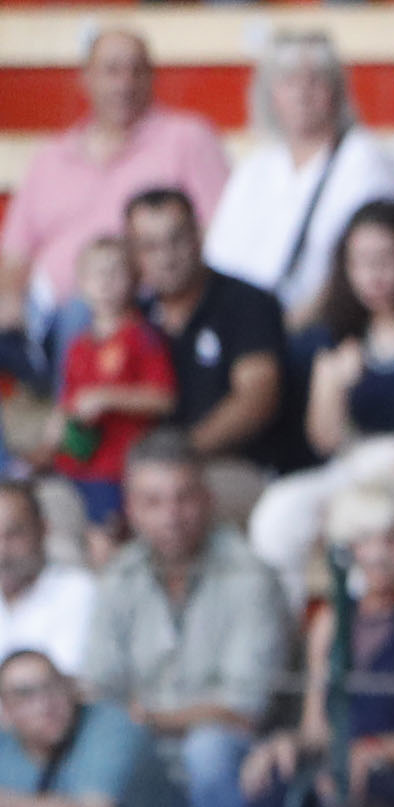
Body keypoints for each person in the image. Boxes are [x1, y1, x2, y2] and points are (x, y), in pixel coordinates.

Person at [249, 201, 394, 588]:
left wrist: (379, 470)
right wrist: (335, 384)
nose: (374, 275)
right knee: (278, 515)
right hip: (354, 463)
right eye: (361, 263)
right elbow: (325, 439)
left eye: (385, 260)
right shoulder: (336, 335)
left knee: (371, 519)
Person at [86, 438, 287, 807]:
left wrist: (150, 718)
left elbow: (244, 710)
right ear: (131, 509)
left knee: (208, 750)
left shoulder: (251, 576)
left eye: (184, 498)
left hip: (240, 758)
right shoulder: (118, 576)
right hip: (141, 750)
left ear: (208, 499)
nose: (171, 516)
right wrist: (133, 722)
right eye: (153, 502)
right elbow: (99, 686)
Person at [245, 478, 394, 807]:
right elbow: (318, 729)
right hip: (344, 762)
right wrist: (283, 743)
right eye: (365, 540)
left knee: (358, 790)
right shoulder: (331, 620)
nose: (379, 553)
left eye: (392, 539)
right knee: (274, 781)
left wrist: (369, 752)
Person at [0, 31, 229, 356]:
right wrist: (10, 296)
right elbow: (15, 255)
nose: (125, 83)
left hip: (145, 309)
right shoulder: (50, 156)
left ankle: (76, 403)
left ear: (152, 78)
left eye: (136, 70)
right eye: (112, 71)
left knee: (88, 314)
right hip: (43, 309)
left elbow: (221, 233)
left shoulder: (188, 138)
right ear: (86, 79)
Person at [113, 187, 289, 537]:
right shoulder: (131, 317)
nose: (167, 256)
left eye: (176, 239)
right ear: (133, 255)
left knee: (169, 511)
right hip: (145, 474)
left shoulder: (245, 302)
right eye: (150, 246)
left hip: (234, 468)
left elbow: (256, 400)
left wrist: (177, 455)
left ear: (200, 235)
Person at [43, 240, 171, 531]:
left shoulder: (142, 337)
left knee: (107, 535)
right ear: (80, 284)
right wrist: (59, 421)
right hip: (74, 465)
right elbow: (69, 400)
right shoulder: (78, 345)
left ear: (135, 280)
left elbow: (163, 398)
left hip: (118, 470)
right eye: (95, 275)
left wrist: (109, 398)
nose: (105, 283)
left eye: (116, 273)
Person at [0, 647, 178, 807]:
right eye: (24, 695)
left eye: (53, 686)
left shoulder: (112, 727)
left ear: (72, 688)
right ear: (4, 708)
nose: (45, 704)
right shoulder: (5, 742)